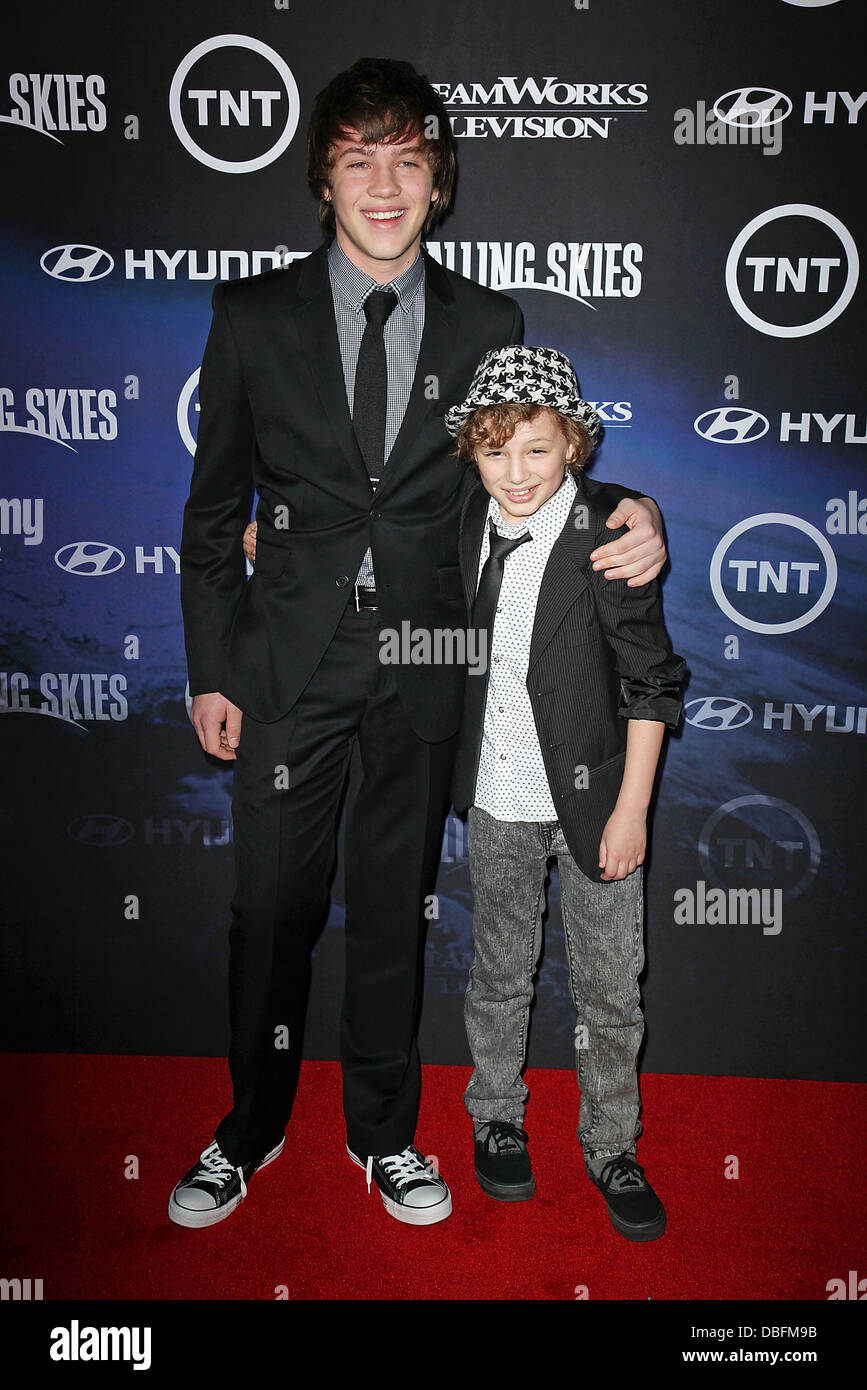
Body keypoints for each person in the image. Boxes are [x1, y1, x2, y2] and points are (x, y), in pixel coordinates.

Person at [174, 56, 667, 1231]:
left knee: (394, 910)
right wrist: (212, 666)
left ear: (438, 179)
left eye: (407, 161)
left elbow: (532, 472)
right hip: (287, 665)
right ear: (325, 179)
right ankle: (249, 1126)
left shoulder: (492, 322)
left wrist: (639, 513)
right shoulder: (251, 315)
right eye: (358, 161)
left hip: (430, 663)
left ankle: (383, 1135)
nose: (383, 186)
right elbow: (208, 514)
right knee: (273, 911)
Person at [446, 344, 685, 1242]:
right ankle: (496, 1117)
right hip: (496, 793)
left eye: (537, 451)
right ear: (471, 450)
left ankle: (612, 1144)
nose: (515, 472)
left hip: (597, 805)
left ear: (575, 447)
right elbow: (368, 535)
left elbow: (652, 682)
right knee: (499, 973)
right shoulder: (464, 514)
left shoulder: (608, 538)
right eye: (495, 449)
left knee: (610, 990)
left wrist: (630, 810)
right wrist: (273, 535)